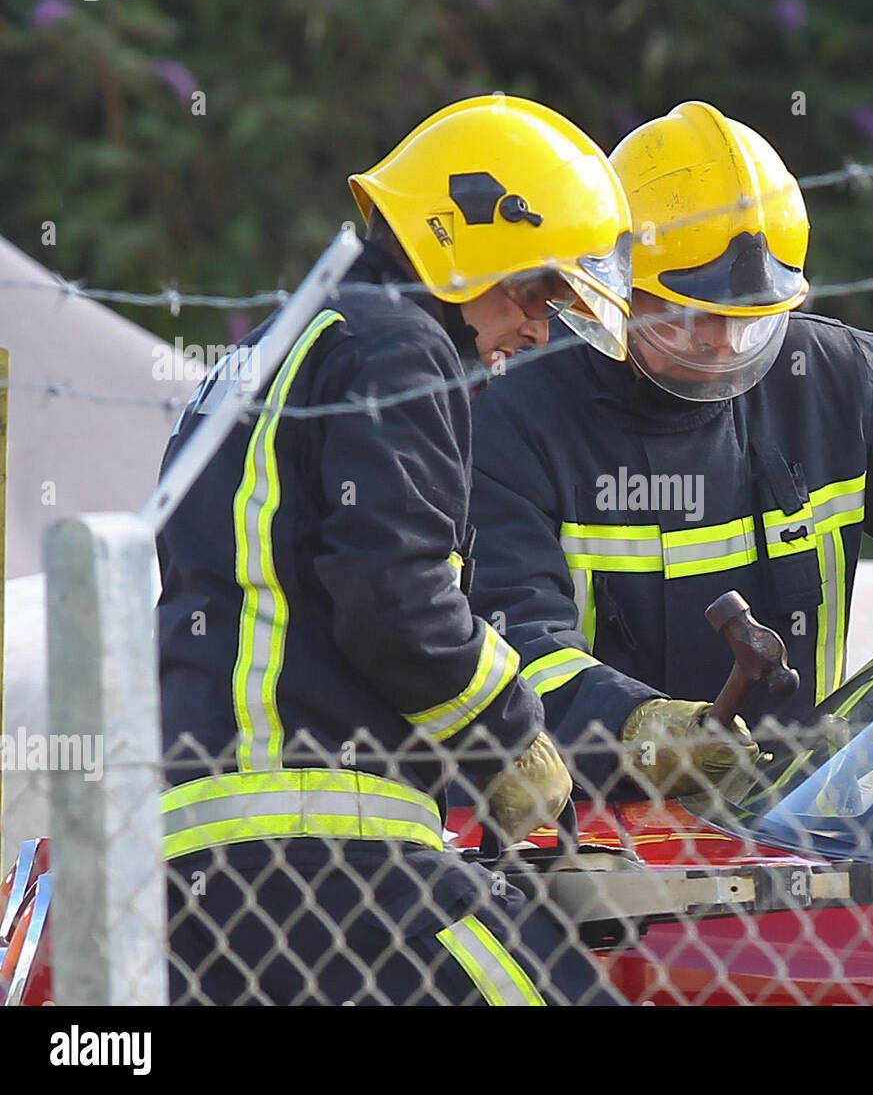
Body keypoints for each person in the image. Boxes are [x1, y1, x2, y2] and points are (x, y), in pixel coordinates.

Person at [467, 101, 873, 801]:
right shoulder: (516, 418)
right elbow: (511, 648)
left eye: (750, 321)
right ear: (615, 291)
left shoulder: (824, 379)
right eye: (689, 318)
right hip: (599, 843)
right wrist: (638, 730)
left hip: (797, 838)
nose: (723, 344)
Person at [156, 95, 633, 1005]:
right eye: (537, 292)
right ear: (472, 246)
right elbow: (394, 599)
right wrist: (512, 736)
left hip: (206, 852)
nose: (537, 330)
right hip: (317, 849)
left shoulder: (293, 342)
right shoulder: (396, 347)